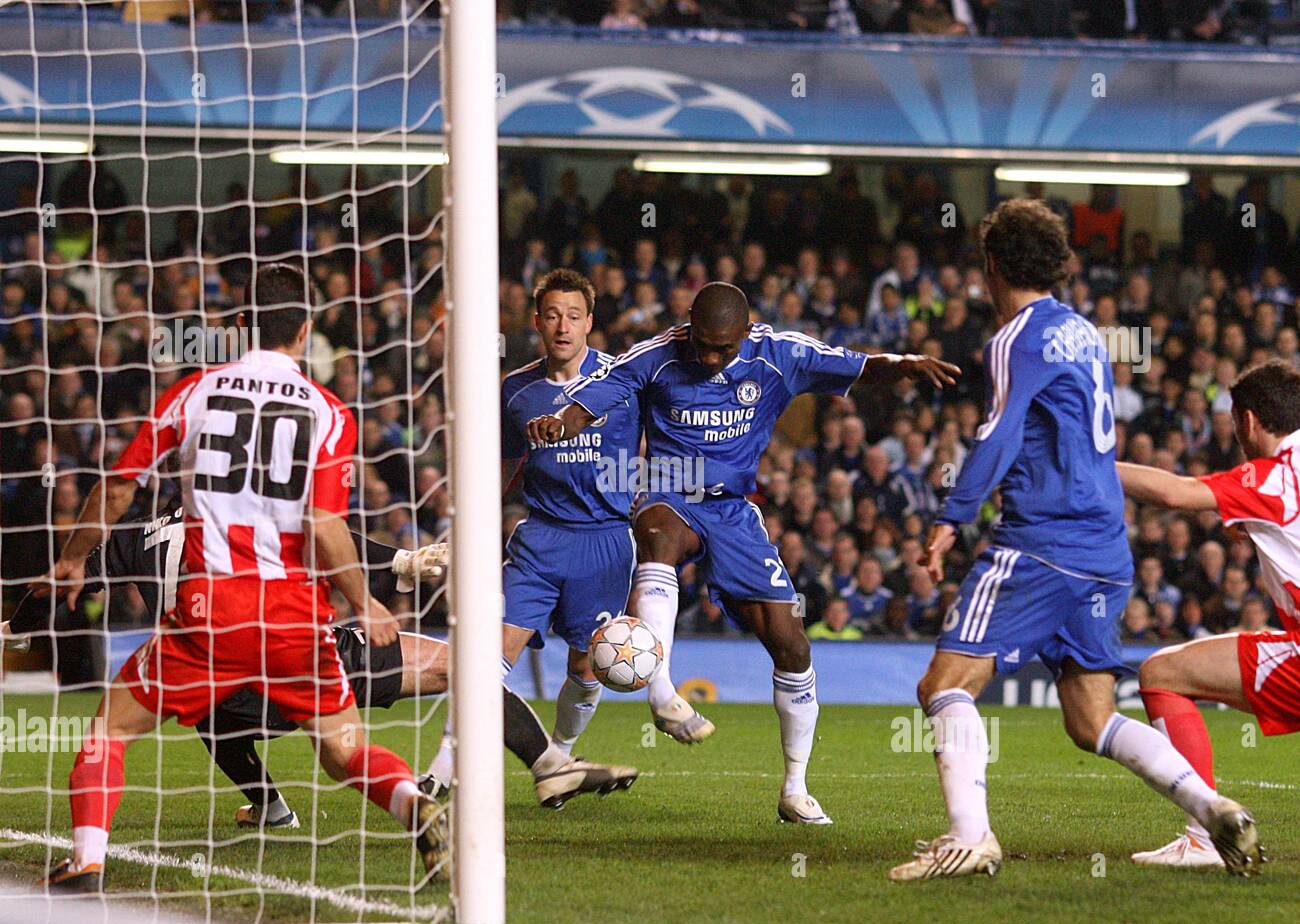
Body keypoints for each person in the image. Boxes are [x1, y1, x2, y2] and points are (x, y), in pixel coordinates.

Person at [36, 263, 446, 892]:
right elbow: (325, 524)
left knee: (109, 731)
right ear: (305, 330)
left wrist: (72, 557)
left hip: (210, 614)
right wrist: (365, 601)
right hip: (295, 619)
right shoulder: (330, 412)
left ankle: (88, 859)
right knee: (344, 753)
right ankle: (413, 804)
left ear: (242, 325)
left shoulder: (194, 394)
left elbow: (118, 489)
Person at [888, 200, 1260, 882]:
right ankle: (1212, 807)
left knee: (945, 682)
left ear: (992, 265)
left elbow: (997, 435)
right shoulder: (1083, 331)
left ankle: (970, 836)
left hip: (1039, 542)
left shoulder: (1015, 338)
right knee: (1091, 719)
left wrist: (949, 519)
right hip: (1104, 549)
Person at [528, 281, 957, 824]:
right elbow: (597, 394)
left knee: (791, 644)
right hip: (670, 490)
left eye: (724, 349)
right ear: (689, 324)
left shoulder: (780, 355)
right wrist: (560, 423)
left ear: (747, 332)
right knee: (658, 533)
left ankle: (795, 788)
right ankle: (661, 691)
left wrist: (905, 364)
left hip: (733, 510)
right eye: (703, 345)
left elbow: (858, 365)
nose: (710, 358)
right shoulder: (657, 356)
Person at [422, 268, 641, 803]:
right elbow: (503, 463)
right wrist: (470, 524)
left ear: (589, 322)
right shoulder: (516, 389)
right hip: (539, 540)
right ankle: (440, 771)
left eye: (574, 316)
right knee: (487, 658)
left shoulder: (623, 382)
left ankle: (559, 757)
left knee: (586, 666)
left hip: (606, 541)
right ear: (537, 321)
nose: (563, 327)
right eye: (553, 316)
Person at [1119, 359, 1300, 868]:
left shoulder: (1271, 476)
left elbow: (1174, 493)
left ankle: (1203, 838)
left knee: (1161, 674)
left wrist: (1089, 461)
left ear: (1248, 421)